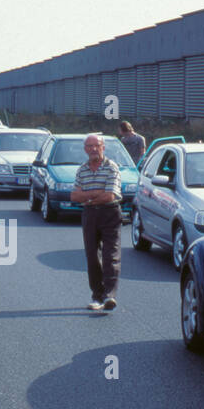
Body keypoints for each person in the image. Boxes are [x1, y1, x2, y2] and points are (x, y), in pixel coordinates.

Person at [71, 133, 123, 311]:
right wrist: (95, 195)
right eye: (89, 146)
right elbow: (74, 195)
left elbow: (110, 196)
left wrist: (87, 197)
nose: (93, 149)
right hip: (90, 215)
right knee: (92, 256)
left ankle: (110, 296)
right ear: (85, 150)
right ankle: (97, 295)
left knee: (111, 256)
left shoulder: (112, 168)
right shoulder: (82, 169)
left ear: (103, 147)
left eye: (97, 145)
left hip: (110, 213)